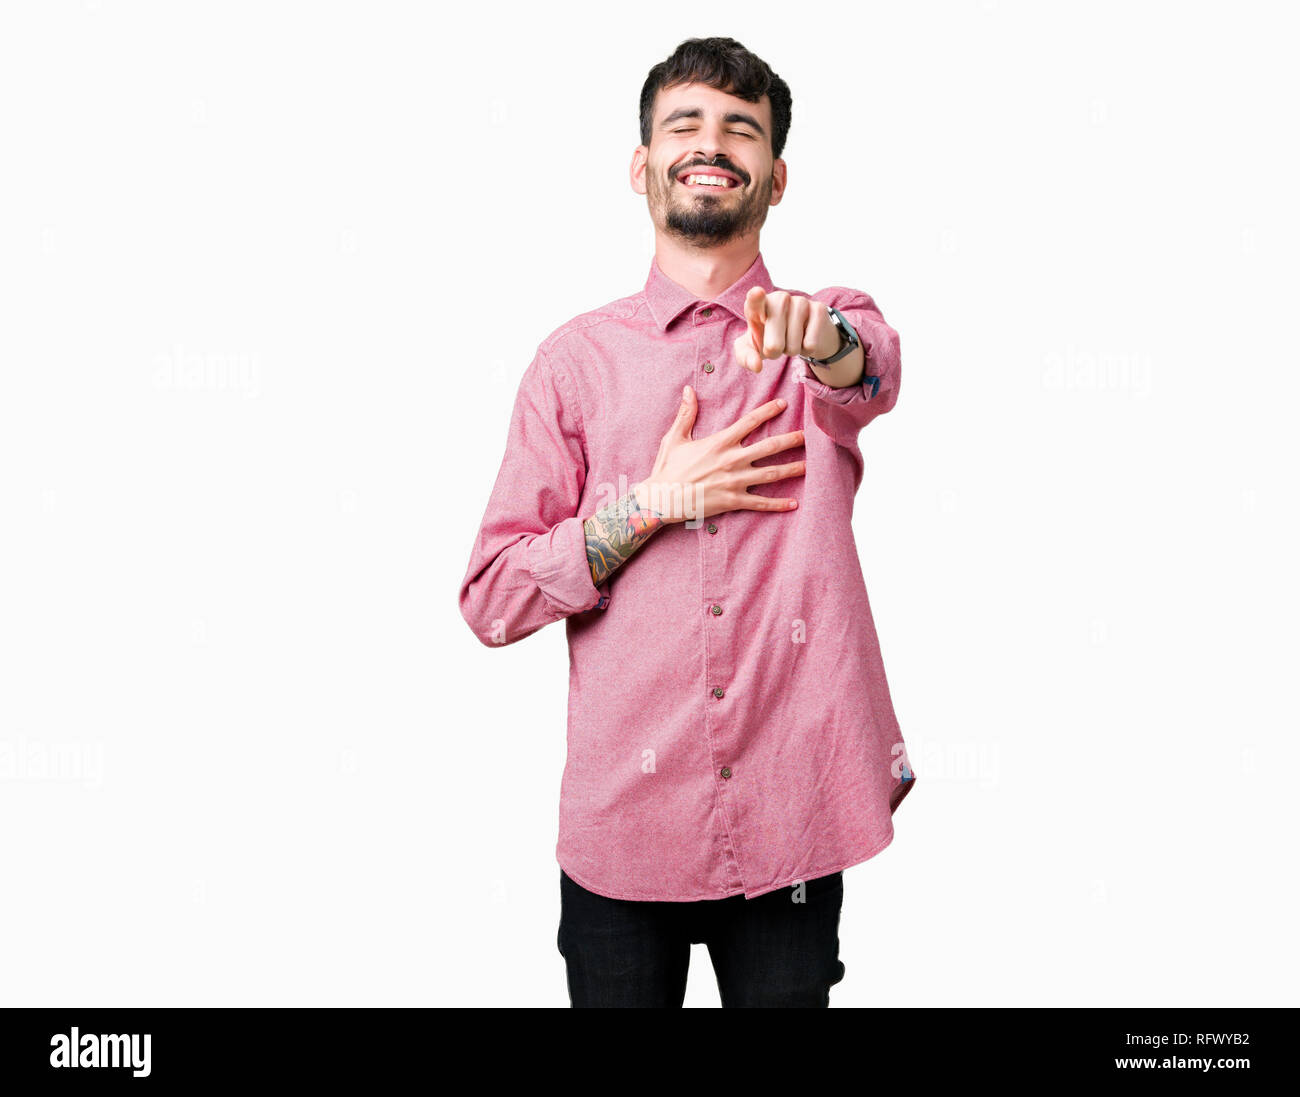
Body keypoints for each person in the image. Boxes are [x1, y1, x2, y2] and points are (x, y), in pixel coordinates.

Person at [458, 36, 916, 1007]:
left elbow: (871, 367)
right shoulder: (570, 364)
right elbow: (490, 598)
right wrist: (646, 508)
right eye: (686, 124)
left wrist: (823, 342)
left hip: (793, 826)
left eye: (740, 129)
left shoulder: (819, 326)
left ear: (776, 177)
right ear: (641, 164)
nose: (712, 144)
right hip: (622, 840)